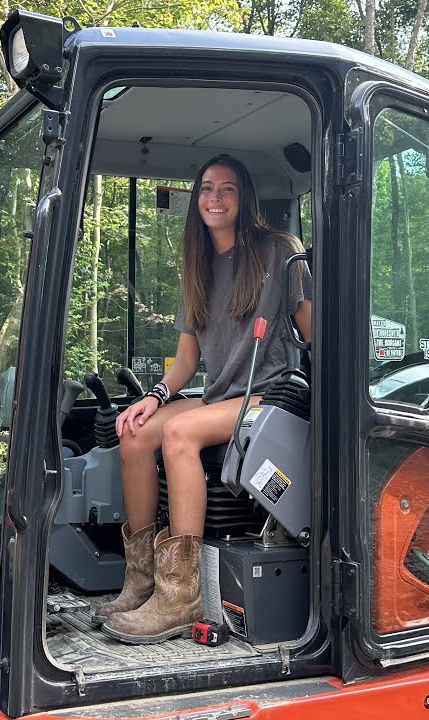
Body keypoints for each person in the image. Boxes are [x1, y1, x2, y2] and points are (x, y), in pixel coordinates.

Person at [96, 155, 313, 644]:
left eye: (228, 189)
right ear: (196, 200)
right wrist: (154, 396)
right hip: (220, 395)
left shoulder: (279, 251)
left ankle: (180, 597)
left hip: (270, 392)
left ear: (244, 198)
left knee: (178, 433)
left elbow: (311, 329)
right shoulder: (197, 265)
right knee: (133, 433)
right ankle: (143, 580)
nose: (216, 198)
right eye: (207, 189)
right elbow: (186, 360)